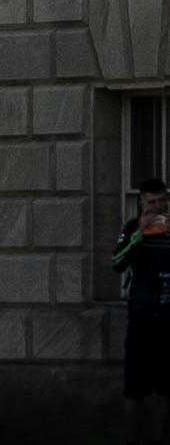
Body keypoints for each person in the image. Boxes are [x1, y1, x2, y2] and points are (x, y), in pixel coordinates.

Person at [119, 174, 170, 440]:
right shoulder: (130, 228)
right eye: (152, 202)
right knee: (134, 390)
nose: (159, 207)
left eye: (163, 201)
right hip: (140, 321)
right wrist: (139, 233)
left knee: (165, 390)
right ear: (141, 203)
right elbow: (117, 262)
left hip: (167, 321)